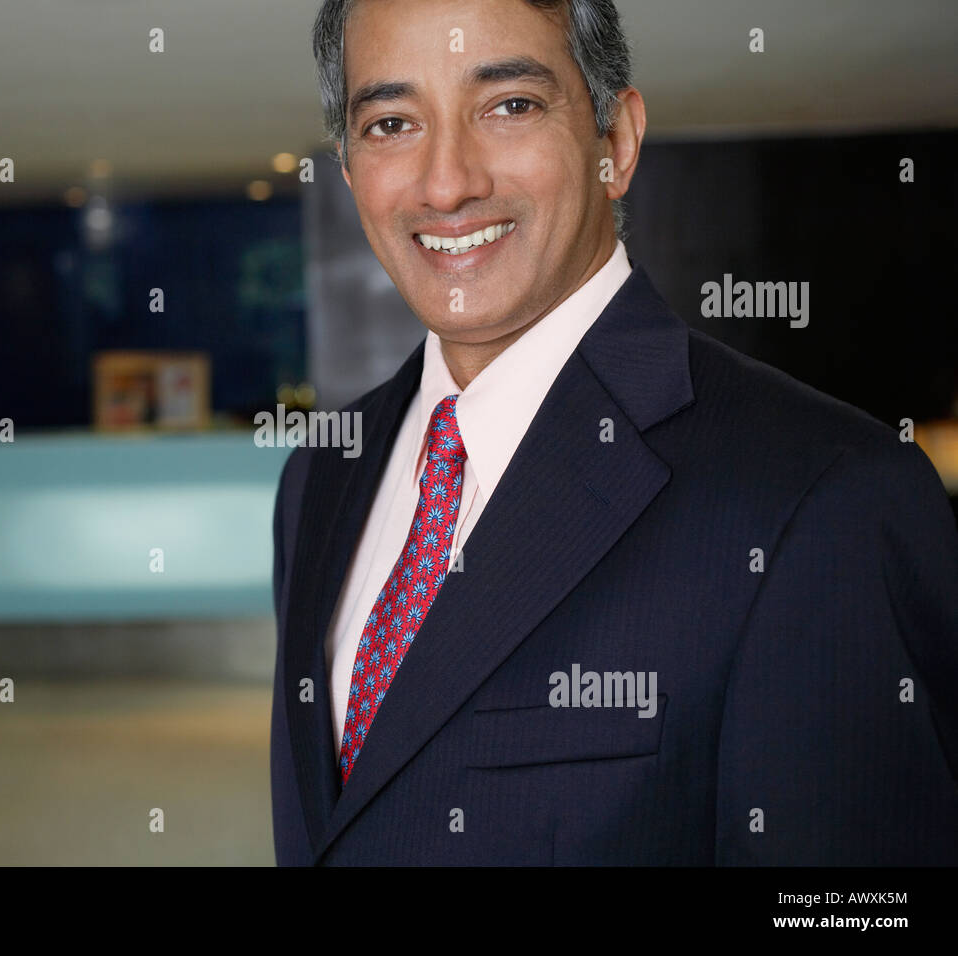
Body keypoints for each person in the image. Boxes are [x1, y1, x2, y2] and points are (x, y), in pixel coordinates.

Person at [270, 0, 958, 865]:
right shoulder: (320, 478)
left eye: (509, 105)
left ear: (616, 144)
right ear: (348, 169)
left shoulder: (826, 499)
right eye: (392, 123)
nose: (446, 183)